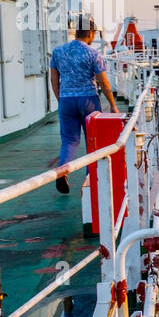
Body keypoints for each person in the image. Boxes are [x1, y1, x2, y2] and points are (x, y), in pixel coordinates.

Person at [49, 19, 118, 193]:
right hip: (88, 100)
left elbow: (54, 80)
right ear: (90, 34)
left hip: (66, 100)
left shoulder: (58, 52)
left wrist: (61, 99)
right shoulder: (93, 54)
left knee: (69, 140)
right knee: (92, 142)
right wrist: (112, 104)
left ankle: (62, 172)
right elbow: (103, 81)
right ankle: (90, 180)